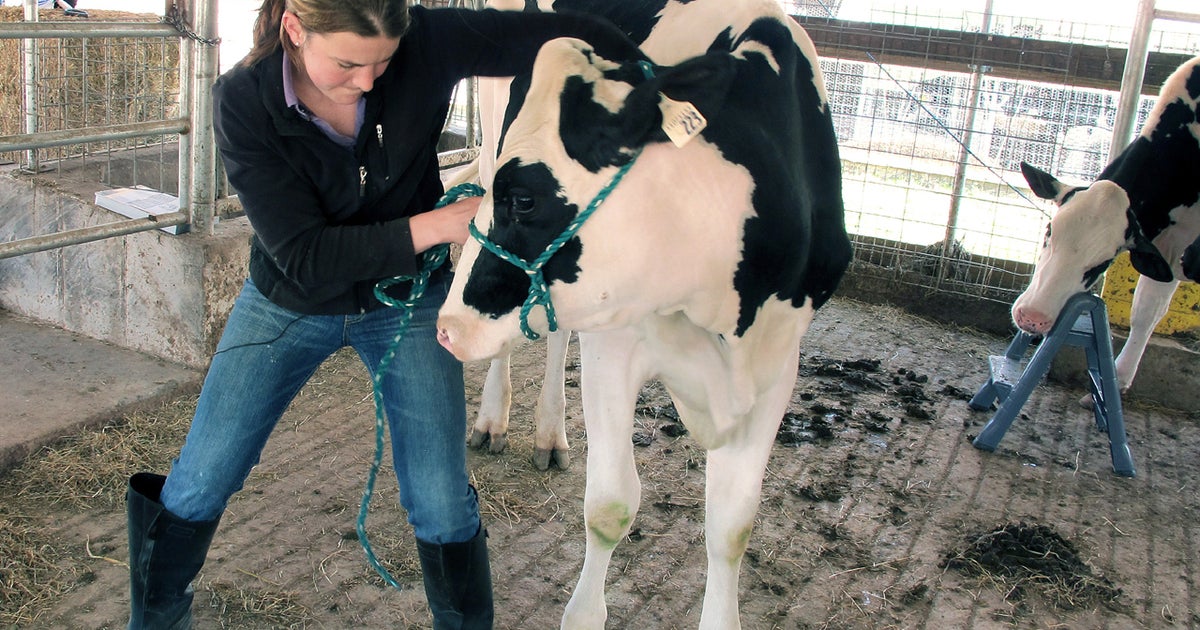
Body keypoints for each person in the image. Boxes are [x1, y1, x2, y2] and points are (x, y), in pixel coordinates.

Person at [123, 1, 641, 628]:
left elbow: (565, 30)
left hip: (409, 297)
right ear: (294, 30)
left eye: (384, 61)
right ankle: (155, 620)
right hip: (289, 302)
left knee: (440, 498)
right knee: (203, 477)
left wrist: (652, 76)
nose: (368, 80)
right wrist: (439, 226)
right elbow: (306, 257)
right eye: (347, 63)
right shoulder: (241, 99)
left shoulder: (429, 39)